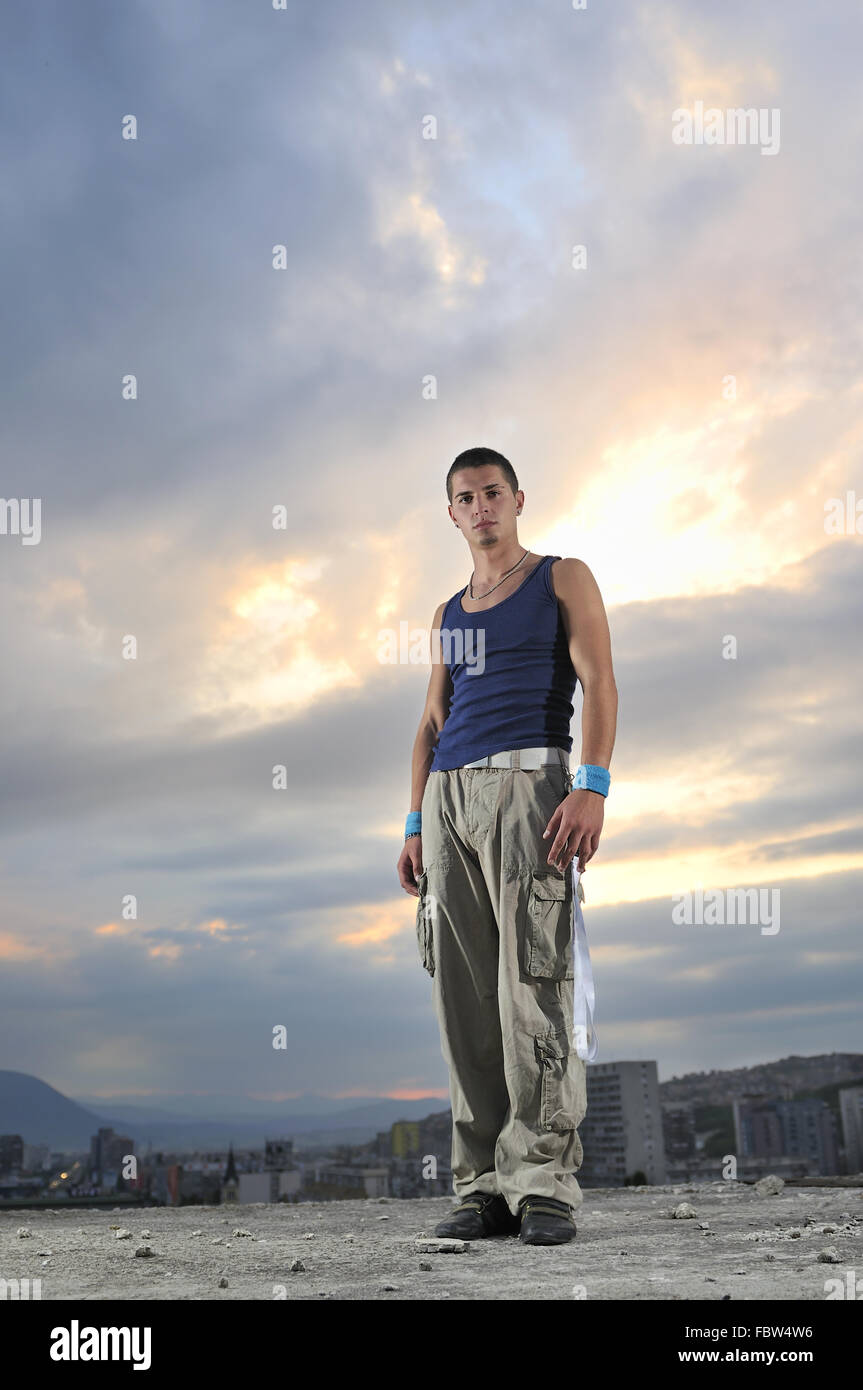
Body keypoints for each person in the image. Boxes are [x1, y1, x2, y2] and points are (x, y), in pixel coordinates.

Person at [397, 447, 618, 1246]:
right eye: (465, 497)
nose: (480, 506)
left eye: (492, 492)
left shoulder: (563, 577)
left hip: (530, 788)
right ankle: (484, 1184)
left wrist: (591, 785)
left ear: (517, 499)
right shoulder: (447, 613)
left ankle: (543, 1182)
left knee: (534, 983)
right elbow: (429, 722)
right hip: (447, 798)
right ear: (450, 513)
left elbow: (599, 679)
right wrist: (415, 823)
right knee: (464, 1001)